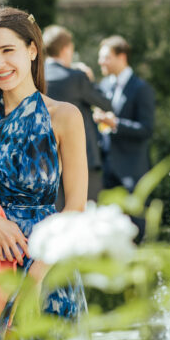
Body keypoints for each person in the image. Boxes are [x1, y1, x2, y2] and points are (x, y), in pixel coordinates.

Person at [0, 7, 88, 340]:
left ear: (32, 50)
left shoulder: (64, 117)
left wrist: (37, 275)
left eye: (7, 51)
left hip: (46, 261)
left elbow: (76, 205)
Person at [92, 35, 155, 243]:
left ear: (122, 57)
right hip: (107, 167)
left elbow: (146, 129)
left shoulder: (141, 88)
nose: (101, 62)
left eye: (106, 57)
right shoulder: (104, 86)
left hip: (132, 168)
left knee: (136, 226)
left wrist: (115, 123)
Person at [44, 25, 112, 207]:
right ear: (67, 49)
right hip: (83, 156)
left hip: (47, 157)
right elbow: (106, 103)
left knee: (55, 215)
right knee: (85, 214)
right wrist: (88, 78)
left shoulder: (36, 78)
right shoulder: (76, 77)